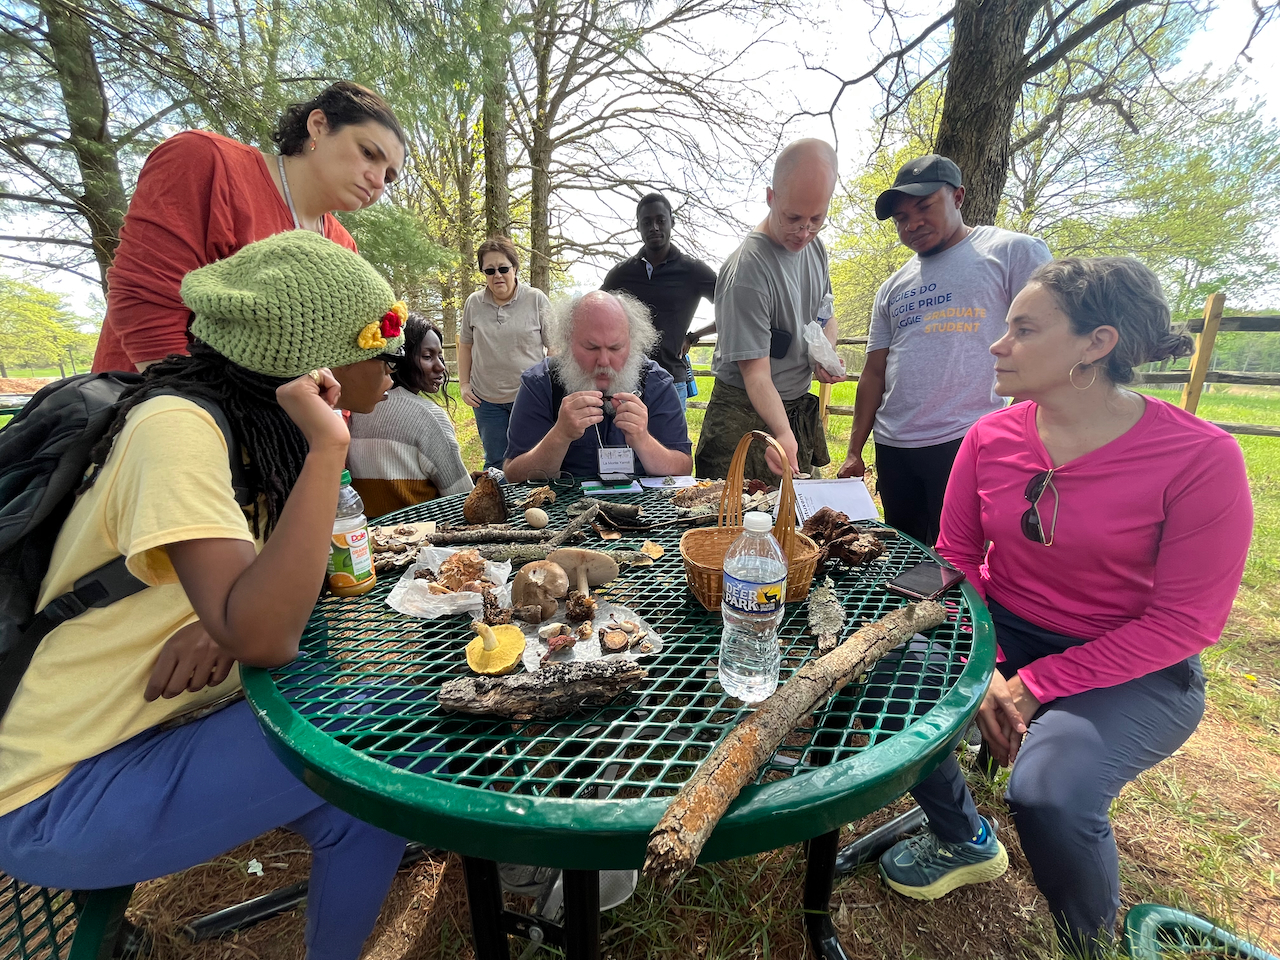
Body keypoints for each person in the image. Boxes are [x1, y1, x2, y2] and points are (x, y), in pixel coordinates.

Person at [0, 231, 415, 959]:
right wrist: (327, 452)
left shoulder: (256, 430)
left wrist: (216, 620)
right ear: (305, 360)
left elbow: (266, 599)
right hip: (56, 795)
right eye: (377, 341)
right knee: (382, 728)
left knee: (364, 803)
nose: (395, 363)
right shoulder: (178, 430)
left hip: (145, 741)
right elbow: (266, 636)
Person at [875, 257, 1253, 957]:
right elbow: (954, 560)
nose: (998, 343)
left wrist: (1033, 687)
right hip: (1003, 627)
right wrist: (978, 662)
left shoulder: (1202, 459)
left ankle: (1087, 943)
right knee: (884, 684)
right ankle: (963, 838)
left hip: (1134, 661)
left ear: (1095, 343)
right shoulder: (989, 437)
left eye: (1023, 328)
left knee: (1050, 793)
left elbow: (1184, 624)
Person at [93, 81, 406, 374]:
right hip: (156, 410)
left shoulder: (343, 245)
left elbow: (337, 355)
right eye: (368, 153)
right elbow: (147, 308)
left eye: (389, 176)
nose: (377, 181)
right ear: (319, 126)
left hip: (272, 428)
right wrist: (201, 418)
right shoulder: (207, 162)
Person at [838, 154, 1051, 546]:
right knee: (903, 548)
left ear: (957, 196)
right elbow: (873, 372)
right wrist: (854, 450)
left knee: (959, 552)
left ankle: (960, 611)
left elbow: (1042, 341)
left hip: (965, 437)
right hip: (894, 443)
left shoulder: (1012, 252)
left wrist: (1019, 430)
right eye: (901, 218)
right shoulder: (892, 287)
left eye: (924, 206)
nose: (912, 223)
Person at [693, 139, 841, 483]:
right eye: (793, 218)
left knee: (798, 523)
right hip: (743, 415)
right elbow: (756, 375)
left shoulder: (816, 249)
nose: (804, 232)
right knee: (734, 526)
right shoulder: (748, 271)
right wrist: (780, 431)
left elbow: (825, 316)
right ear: (771, 197)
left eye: (816, 219)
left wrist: (824, 352)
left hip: (793, 407)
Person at [502, 290, 692, 482]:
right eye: (591, 347)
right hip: (561, 506)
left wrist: (643, 440)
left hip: (643, 508)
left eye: (615, 348)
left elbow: (683, 468)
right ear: (567, 341)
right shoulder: (539, 384)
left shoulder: (656, 383)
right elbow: (514, 475)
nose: (603, 361)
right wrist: (559, 436)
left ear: (632, 344)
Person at [348, 312, 473, 517]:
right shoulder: (429, 416)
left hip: (372, 535)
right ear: (401, 356)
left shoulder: (357, 408)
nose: (440, 366)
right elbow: (462, 499)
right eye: (427, 356)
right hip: (422, 535)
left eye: (439, 356)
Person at [601, 192, 717, 410]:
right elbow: (594, 314)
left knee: (671, 445)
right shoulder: (621, 273)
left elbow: (735, 309)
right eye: (647, 222)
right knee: (625, 443)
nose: (654, 227)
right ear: (638, 227)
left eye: (660, 220)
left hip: (671, 381)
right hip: (627, 382)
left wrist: (693, 336)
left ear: (671, 222)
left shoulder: (693, 271)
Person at [458, 236, 554, 470]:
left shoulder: (536, 299)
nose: (497, 275)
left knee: (533, 462)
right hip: (486, 401)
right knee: (496, 464)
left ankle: (535, 505)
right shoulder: (473, 303)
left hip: (529, 398)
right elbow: (466, 346)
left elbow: (554, 347)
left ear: (515, 268)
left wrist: (549, 387)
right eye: (489, 271)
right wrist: (463, 385)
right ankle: (501, 506)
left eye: (503, 268)